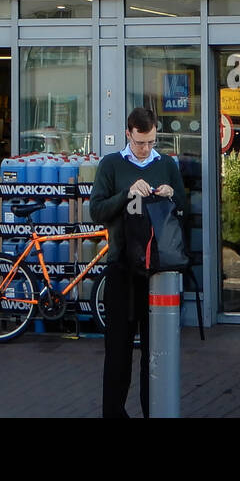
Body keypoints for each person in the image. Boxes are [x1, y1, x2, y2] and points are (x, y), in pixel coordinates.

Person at [88, 106, 186, 418]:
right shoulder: (111, 164)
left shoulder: (166, 164)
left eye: (151, 142)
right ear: (128, 133)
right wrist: (127, 195)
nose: (145, 149)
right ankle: (114, 412)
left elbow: (183, 207)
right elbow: (97, 211)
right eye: (140, 142)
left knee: (154, 350)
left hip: (157, 270)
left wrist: (170, 194)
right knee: (118, 350)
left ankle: (153, 410)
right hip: (121, 267)